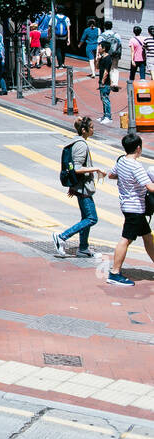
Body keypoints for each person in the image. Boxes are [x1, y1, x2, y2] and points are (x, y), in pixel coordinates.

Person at [104, 133, 154, 285]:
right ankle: (114, 273)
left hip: (129, 206)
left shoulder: (122, 161)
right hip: (135, 208)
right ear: (138, 148)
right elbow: (150, 187)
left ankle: (115, 271)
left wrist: (126, 179)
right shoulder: (136, 166)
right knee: (126, 239)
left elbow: (111, 175)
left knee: (147, 236)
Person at [52, 116, 104, 259]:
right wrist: (96, 169)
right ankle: (62, 237)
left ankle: (83, 248)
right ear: (84, 130)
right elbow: (77, 168)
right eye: (91, 127)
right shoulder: (81, 144)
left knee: (86, 217)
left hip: (80, 187)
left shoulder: (76, 141)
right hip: (83, 189)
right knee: (92, 218)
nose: (93, 129)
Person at [97, 41, 114, 124]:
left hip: (105, 83)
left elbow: (106, 71)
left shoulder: (108, 58)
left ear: (104, 48)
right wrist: (97, 59)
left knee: (105, 98)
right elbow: (97, 67)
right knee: (103, 98)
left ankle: (108, 116)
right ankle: (104, 116)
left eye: (100, 46)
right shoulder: (102, 57)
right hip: (101, 81)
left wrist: (103, 82)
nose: (98, 48)